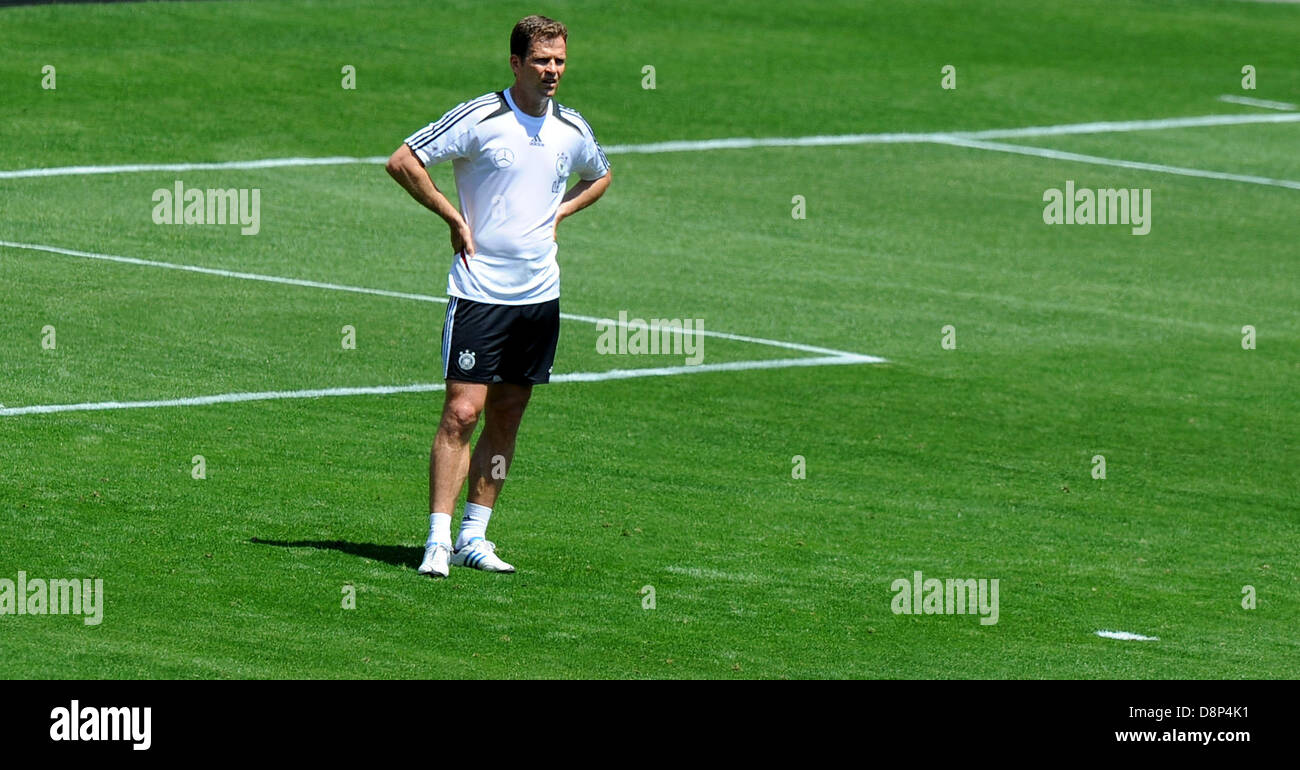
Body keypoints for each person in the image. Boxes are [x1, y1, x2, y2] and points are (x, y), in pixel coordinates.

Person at [386, 15, 613, 577]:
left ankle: (474, 536)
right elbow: (404, 160)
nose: (553, 70)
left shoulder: (571, 127)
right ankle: (437, 541)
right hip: (479, 291)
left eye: (559, 59)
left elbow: (601, 174)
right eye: (542, 60)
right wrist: (451, 216)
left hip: (539, 296)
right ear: (516, 63)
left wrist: (562, 211)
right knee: (463, 412)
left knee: (508, 416)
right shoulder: (482, 117)